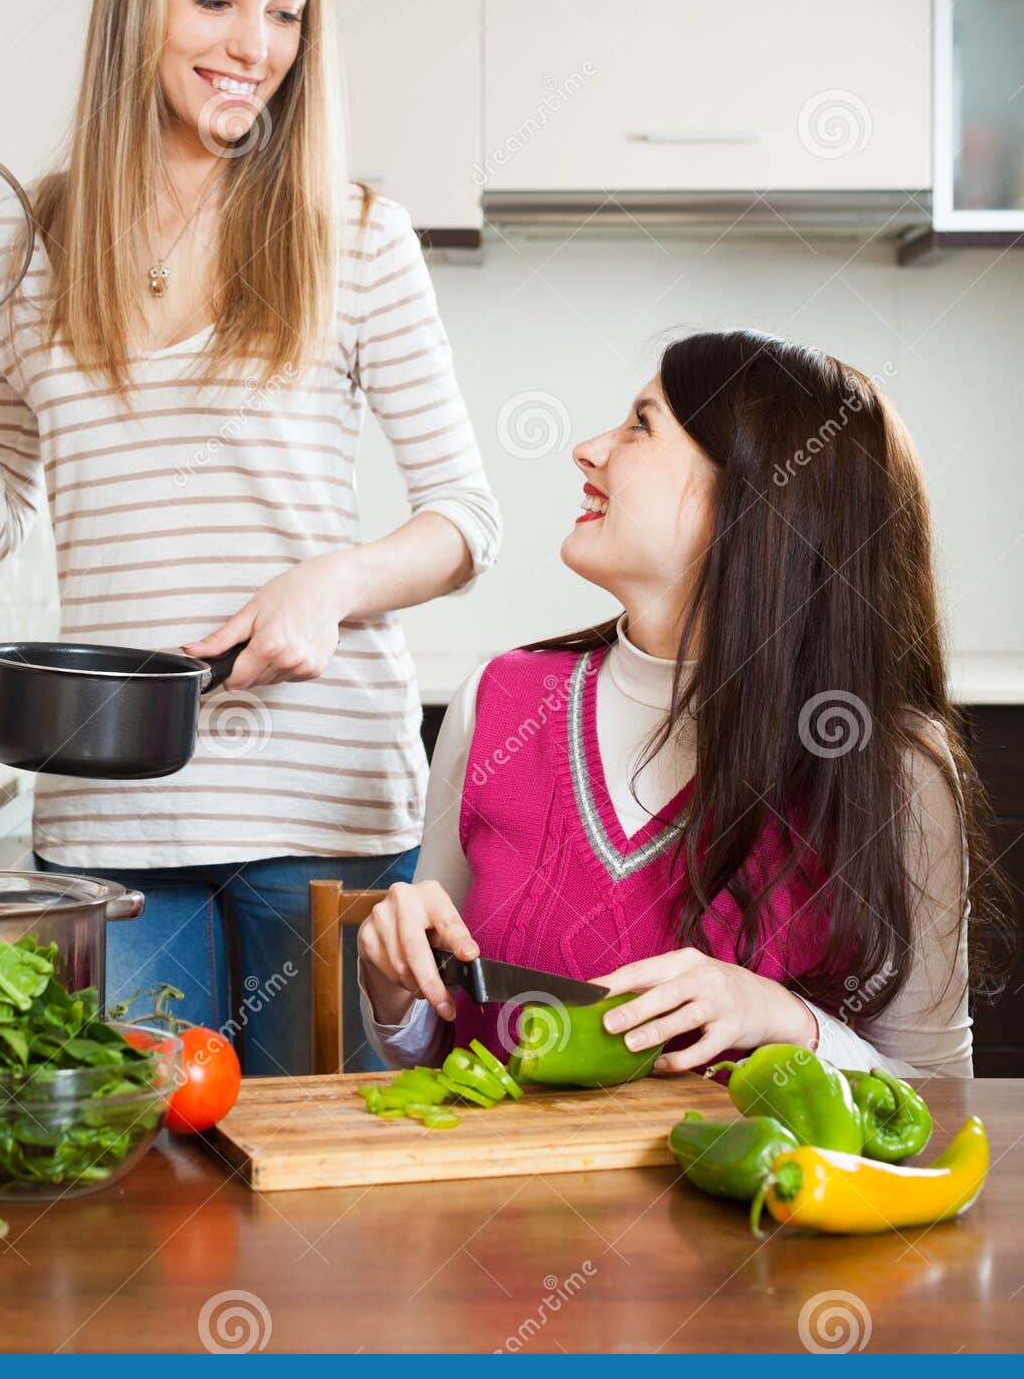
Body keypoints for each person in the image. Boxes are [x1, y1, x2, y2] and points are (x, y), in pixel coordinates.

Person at [0, 0, 500, 1074]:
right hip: (114, 797)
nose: (253, 43)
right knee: (139, 1183)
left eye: (285, 12)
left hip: (324, 794)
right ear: (136, 7)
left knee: (319, 1199)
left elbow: (466, 517)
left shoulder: (355, 234)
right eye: (215, 1)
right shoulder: (29, 244)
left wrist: (331, 584)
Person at [359, 330, 1005, 1078]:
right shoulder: (501, 702)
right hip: (514, 1193)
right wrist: (392, 987)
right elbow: (441, 1046)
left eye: (640, 425)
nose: (590, 449)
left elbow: (938, 1100)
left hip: (762, 1199)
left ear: (756, 497)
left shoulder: (893, 766)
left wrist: (789, 1022)